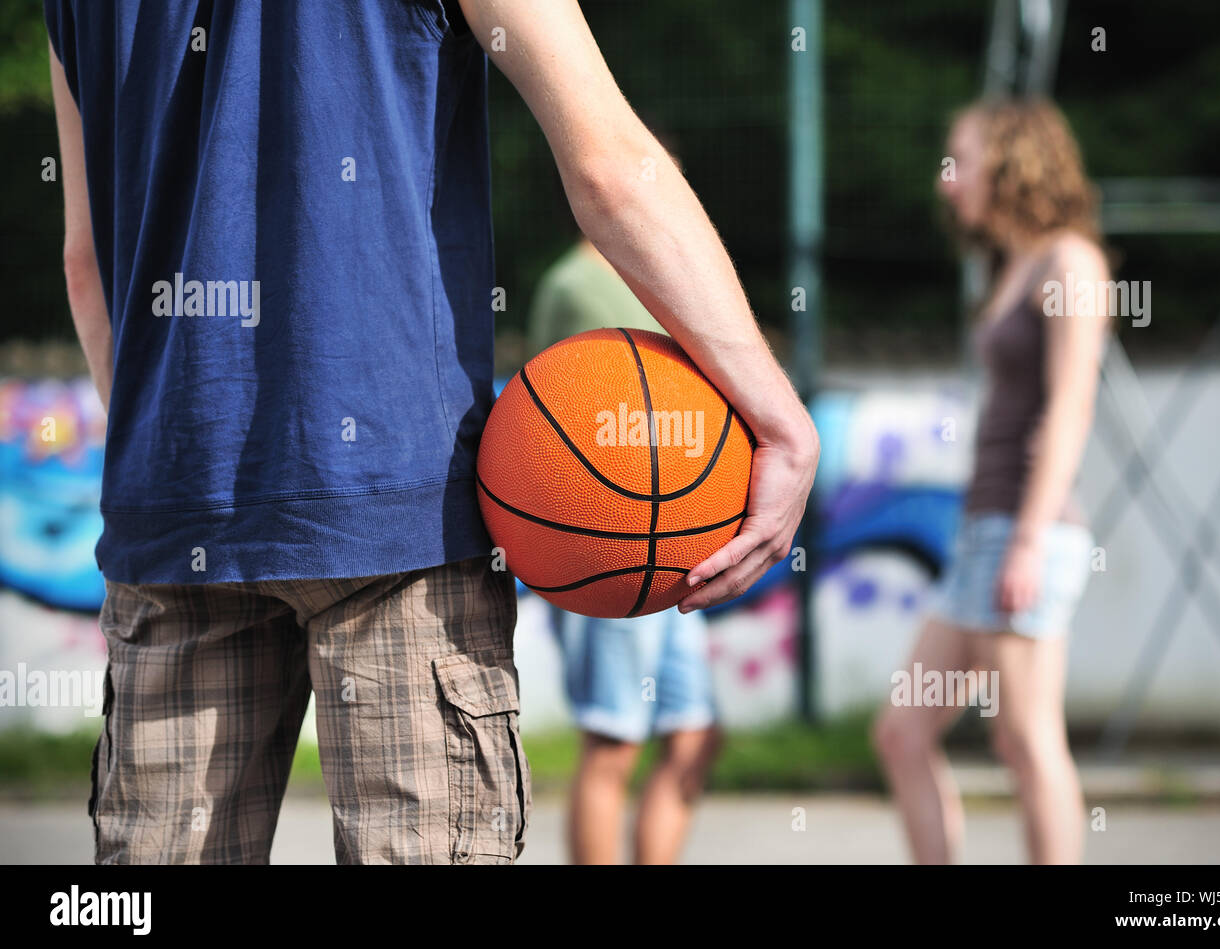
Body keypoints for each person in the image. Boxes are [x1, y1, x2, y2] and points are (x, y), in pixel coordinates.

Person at [47, 0, 817, 864]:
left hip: (173, 513)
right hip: (397, 506)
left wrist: (175, 456)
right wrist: (780, 419)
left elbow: (88, 263)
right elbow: (608, 167)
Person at [873, 98, 1111, 865]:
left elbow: (1071, 408)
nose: (948, 181)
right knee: (903, 730)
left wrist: (1029, 542)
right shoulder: (1013, 266)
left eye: (961, 160)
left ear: (1013, 162)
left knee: (1026, 738)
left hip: (1027, 530)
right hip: (988, 529)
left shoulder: (1070, 262)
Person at [528, 216, 723, 865]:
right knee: (613, 741)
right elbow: (546, 421)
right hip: (610, 548)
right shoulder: (572, 285)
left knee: (695, 735)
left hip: (678, 550)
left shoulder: (667, 283)